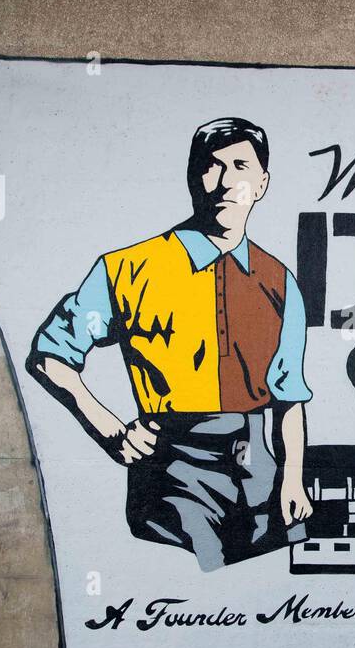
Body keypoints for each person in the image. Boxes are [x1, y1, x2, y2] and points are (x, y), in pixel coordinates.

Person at [26, 117, 313, 571]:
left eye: (240, 165)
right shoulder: (128, 269)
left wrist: (292, 477)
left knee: (250, 586)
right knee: (196, 580)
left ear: (261, 184)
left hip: (261, 470)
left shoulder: (279, 280)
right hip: (172, 466)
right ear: (192, 176)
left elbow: (289, 393)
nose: (225, 180)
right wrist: (111, 430)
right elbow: (49, 357)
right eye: (211, 166)